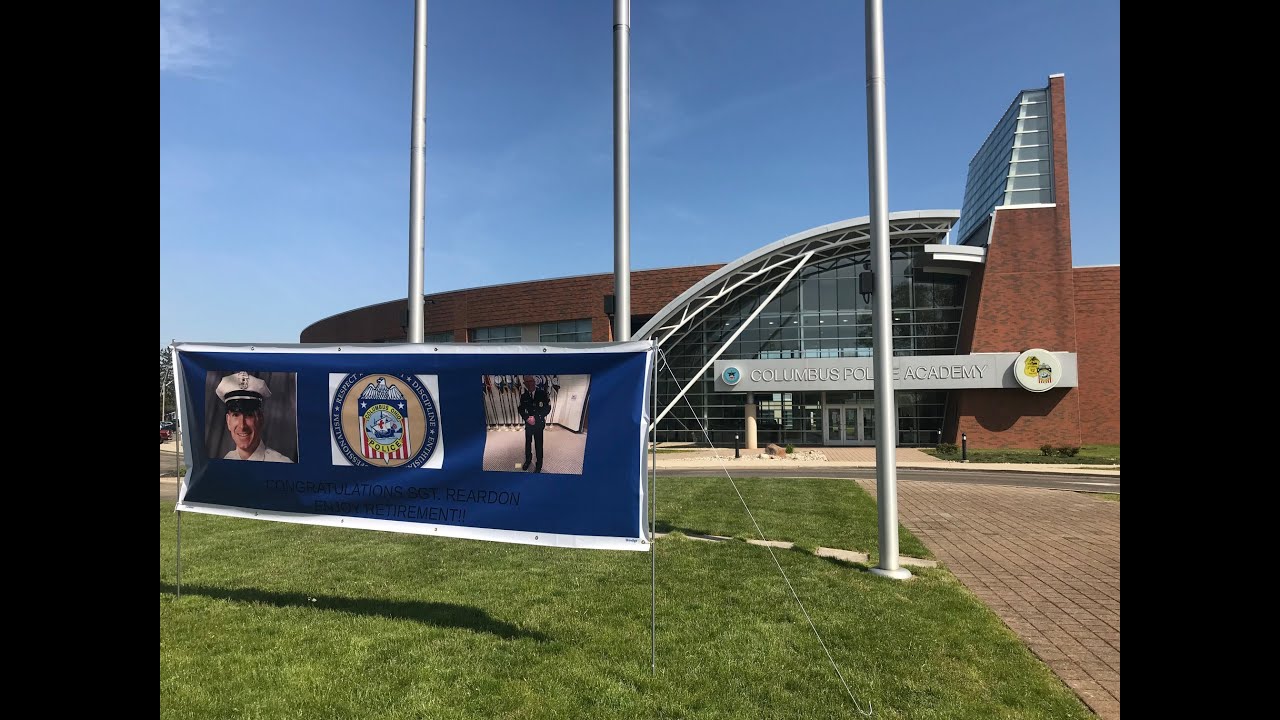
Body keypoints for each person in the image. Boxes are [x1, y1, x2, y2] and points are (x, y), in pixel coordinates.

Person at [215, 371, 293, 462]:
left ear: (260, 419)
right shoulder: (226, 460)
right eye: (236, 415)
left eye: (249, 415)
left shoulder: (282, 463)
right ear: (228, 421)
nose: (242, 426)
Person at [517, 374, 551, 472]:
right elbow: (521, 409)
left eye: (531, 381)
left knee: (538, 445)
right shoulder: (524, 396)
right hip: (528, 424)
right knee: (528, 443)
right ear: (524, 384)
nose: (530, 384)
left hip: (539, 424)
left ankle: (539, 464)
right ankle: (528, 460)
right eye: (527, 382)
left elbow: (547, 408)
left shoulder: (543, 394)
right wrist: (527, 418)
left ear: (534, 381)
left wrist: (536, 418)